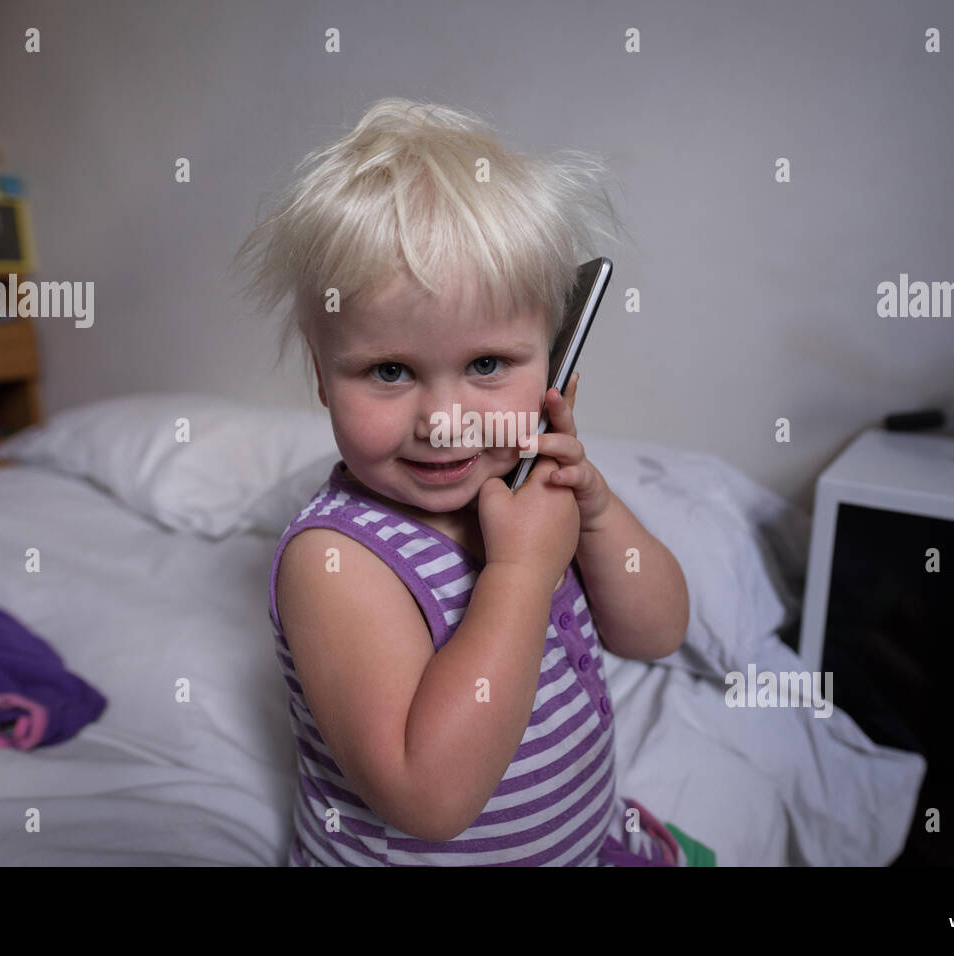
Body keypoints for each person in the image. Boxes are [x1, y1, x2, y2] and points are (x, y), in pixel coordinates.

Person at [238, 97, 699, 865]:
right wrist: (520, 573)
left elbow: (657, 632)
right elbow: (430, 798)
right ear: (323, 379)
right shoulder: (337, 562)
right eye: (389, 371)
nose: (444, 419)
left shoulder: (536, 499)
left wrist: (595, 509)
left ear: (553, 369)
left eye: (487, 365)